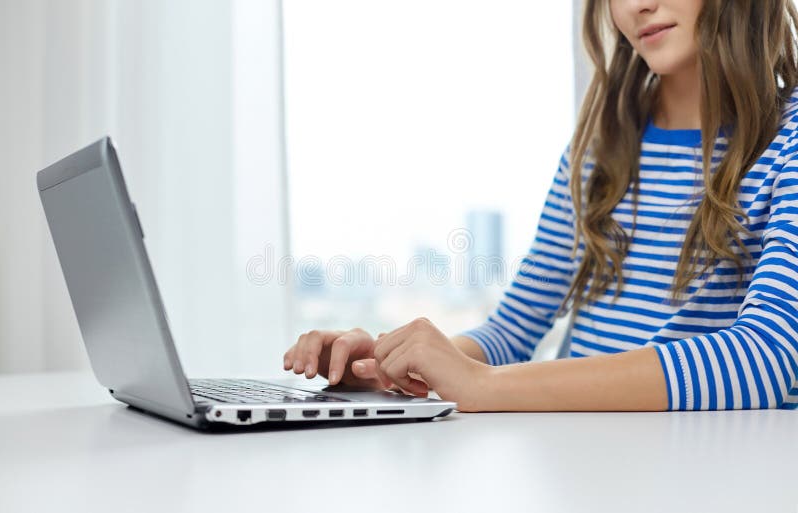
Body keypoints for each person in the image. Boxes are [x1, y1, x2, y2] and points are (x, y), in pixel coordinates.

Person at [283, 0, 798, 412]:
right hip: (584, 473)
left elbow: (768, 357)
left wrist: (484, 386)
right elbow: (510, 332)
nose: (638, 5)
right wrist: (391, 368)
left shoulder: (789, 139)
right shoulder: (599, 151)